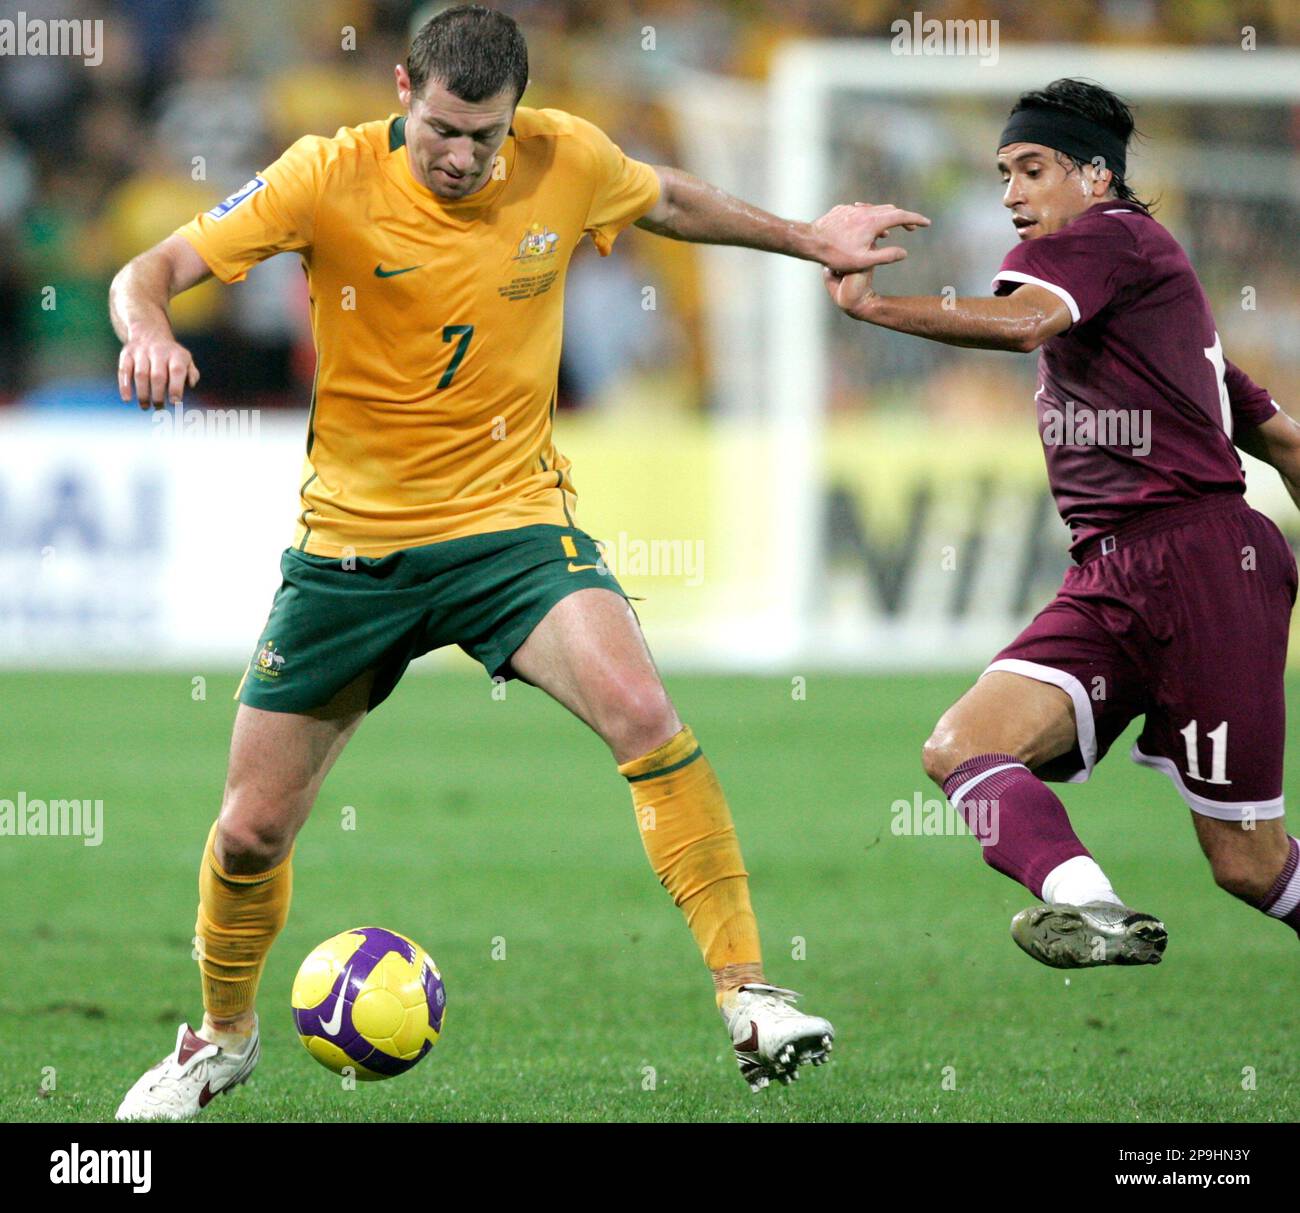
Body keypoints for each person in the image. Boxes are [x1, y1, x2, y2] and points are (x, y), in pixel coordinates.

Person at [109, 4, 926, 1118]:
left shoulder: (567, 157)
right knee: (251, 830)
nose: (460, 157)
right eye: (443, 129)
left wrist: (809, 237)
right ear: (401, 89)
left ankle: (749, 995)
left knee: (645, 712)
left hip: (510, 525)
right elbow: (147, 267)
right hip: (353, 547)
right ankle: (220, 1038)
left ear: (516, 118)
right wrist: (150, 330)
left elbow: (670, 197)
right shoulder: (322, 174)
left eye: (484, 138)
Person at [823, 78, 1300, 970]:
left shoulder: (1108, 238)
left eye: (1032, 169)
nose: (1011, 195)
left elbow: (1020, 324)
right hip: (1112, 574)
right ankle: (1093, 908)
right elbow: (1280, 438)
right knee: (962, 744)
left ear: (1095, 175)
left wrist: (874, 307)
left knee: (1248, 863)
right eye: (1003, 172)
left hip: (1203, 563)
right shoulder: (1152, 307)